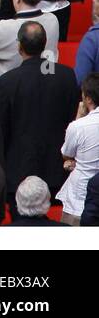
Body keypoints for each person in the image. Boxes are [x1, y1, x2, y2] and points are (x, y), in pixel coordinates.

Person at [0, 19, 78, 211]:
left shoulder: (7, 82)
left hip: (19, 172)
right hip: (57, 170)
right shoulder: (66, 75)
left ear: (19, 46)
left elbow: (1, 131)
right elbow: (71, 118)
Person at [58, 74, 99, 224]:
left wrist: (79, 116)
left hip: (80, 197)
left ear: (88, 99)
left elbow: (66, 153)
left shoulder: (78, 126)